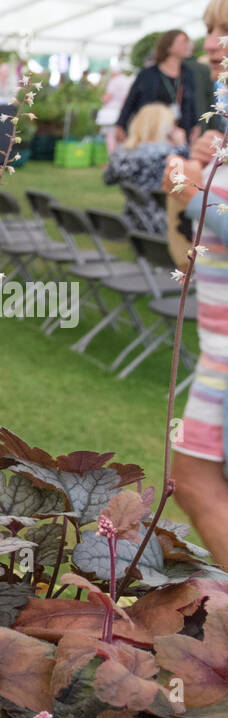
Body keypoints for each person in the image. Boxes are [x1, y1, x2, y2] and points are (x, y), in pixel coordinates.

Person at [159, 0, 228, 569]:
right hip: (218, 350)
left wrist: (192, 190)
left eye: (225, 29)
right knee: (196, 480)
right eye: (209, 30)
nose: (211, 43)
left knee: (198, 482)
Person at [102, 103, 187, 233]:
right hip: (164, 221)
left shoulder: (122, 153)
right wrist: (183, 146)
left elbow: (108, 179)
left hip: (135, 218)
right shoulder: (170, 154)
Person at [118, 30, 196, 141]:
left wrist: (195, 125)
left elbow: (191, 103)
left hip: (179, 134)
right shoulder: (147, 74)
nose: (187, 45)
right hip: (151, 133)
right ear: (169, 46)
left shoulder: (188, 73)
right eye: (183, 41)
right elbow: (131, 100)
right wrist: (120, 125)